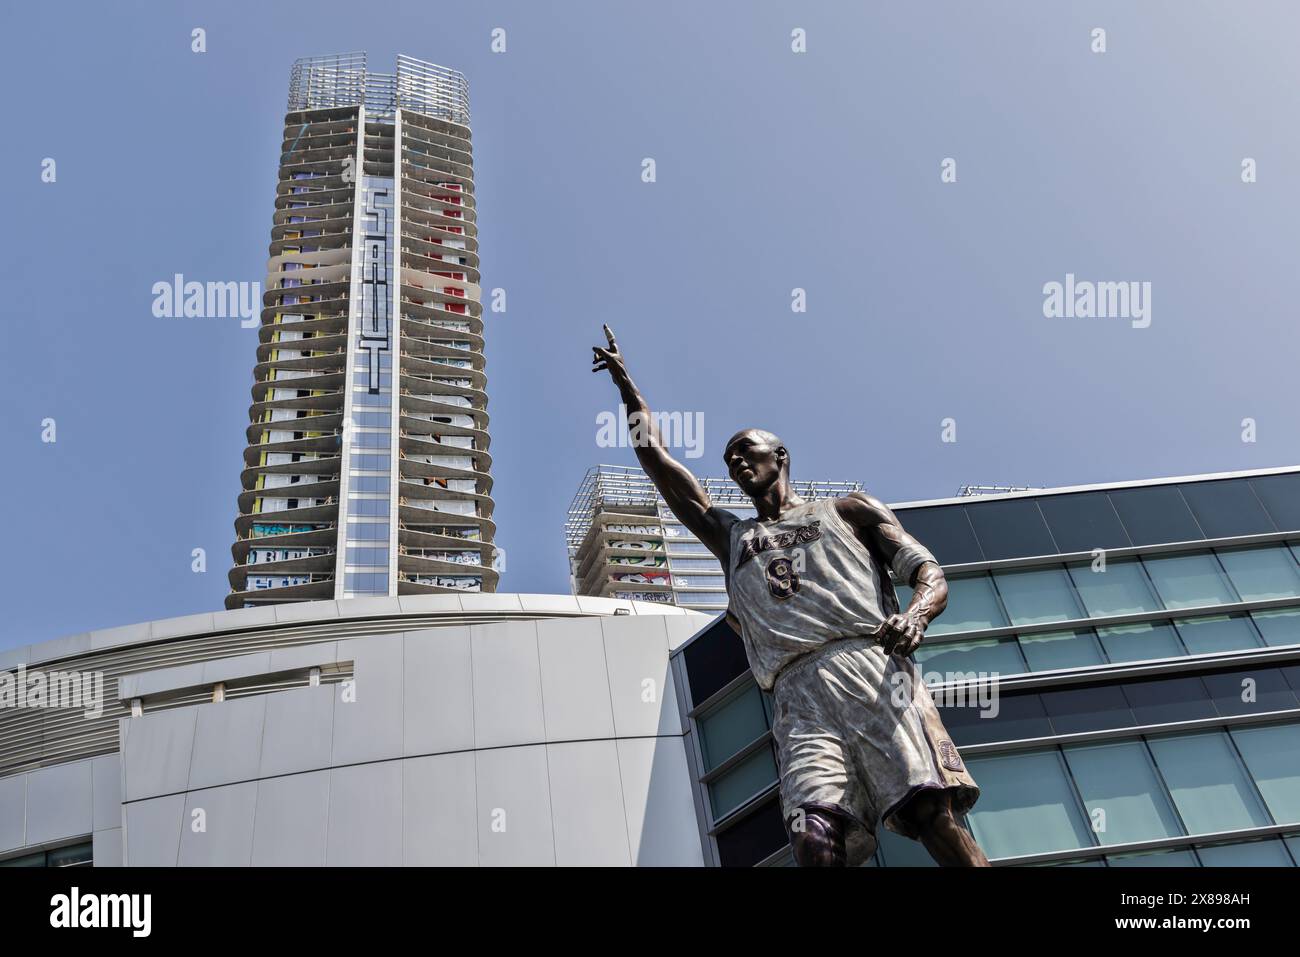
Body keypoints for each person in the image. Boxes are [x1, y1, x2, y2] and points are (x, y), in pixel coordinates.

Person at [592, 326, 988, 867]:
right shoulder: (733, 538)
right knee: (813, 836)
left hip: (869, 667)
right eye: (728, 461)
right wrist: (626, 384)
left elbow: (929, 573)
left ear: (780, 456)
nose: (735, 464)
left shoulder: (848, 511)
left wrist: (915, 618)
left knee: (928, 813)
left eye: (745, 452)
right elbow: (660, 464)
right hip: (796, 694)